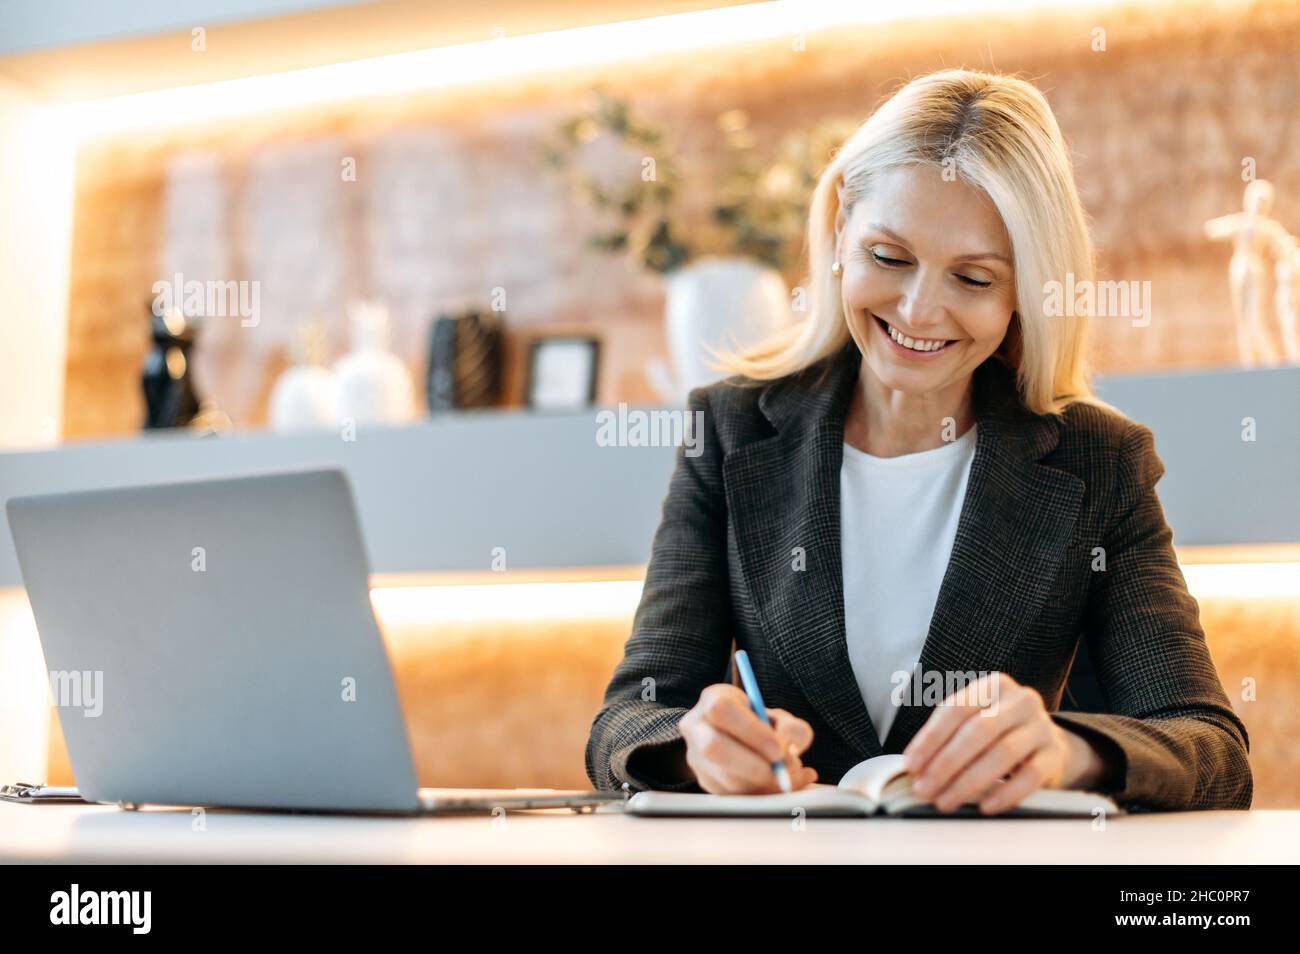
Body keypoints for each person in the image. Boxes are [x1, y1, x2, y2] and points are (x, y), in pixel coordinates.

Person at [585, 69, 1251, 813]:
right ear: (841, 231)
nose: (918, 309)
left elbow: (1211, 749)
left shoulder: (1098, 462)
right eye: (889, 258)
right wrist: (693, 748)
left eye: (972, 278)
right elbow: (624, 724)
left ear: (1023, 294)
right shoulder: (731, 431)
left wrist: (1072, 752)